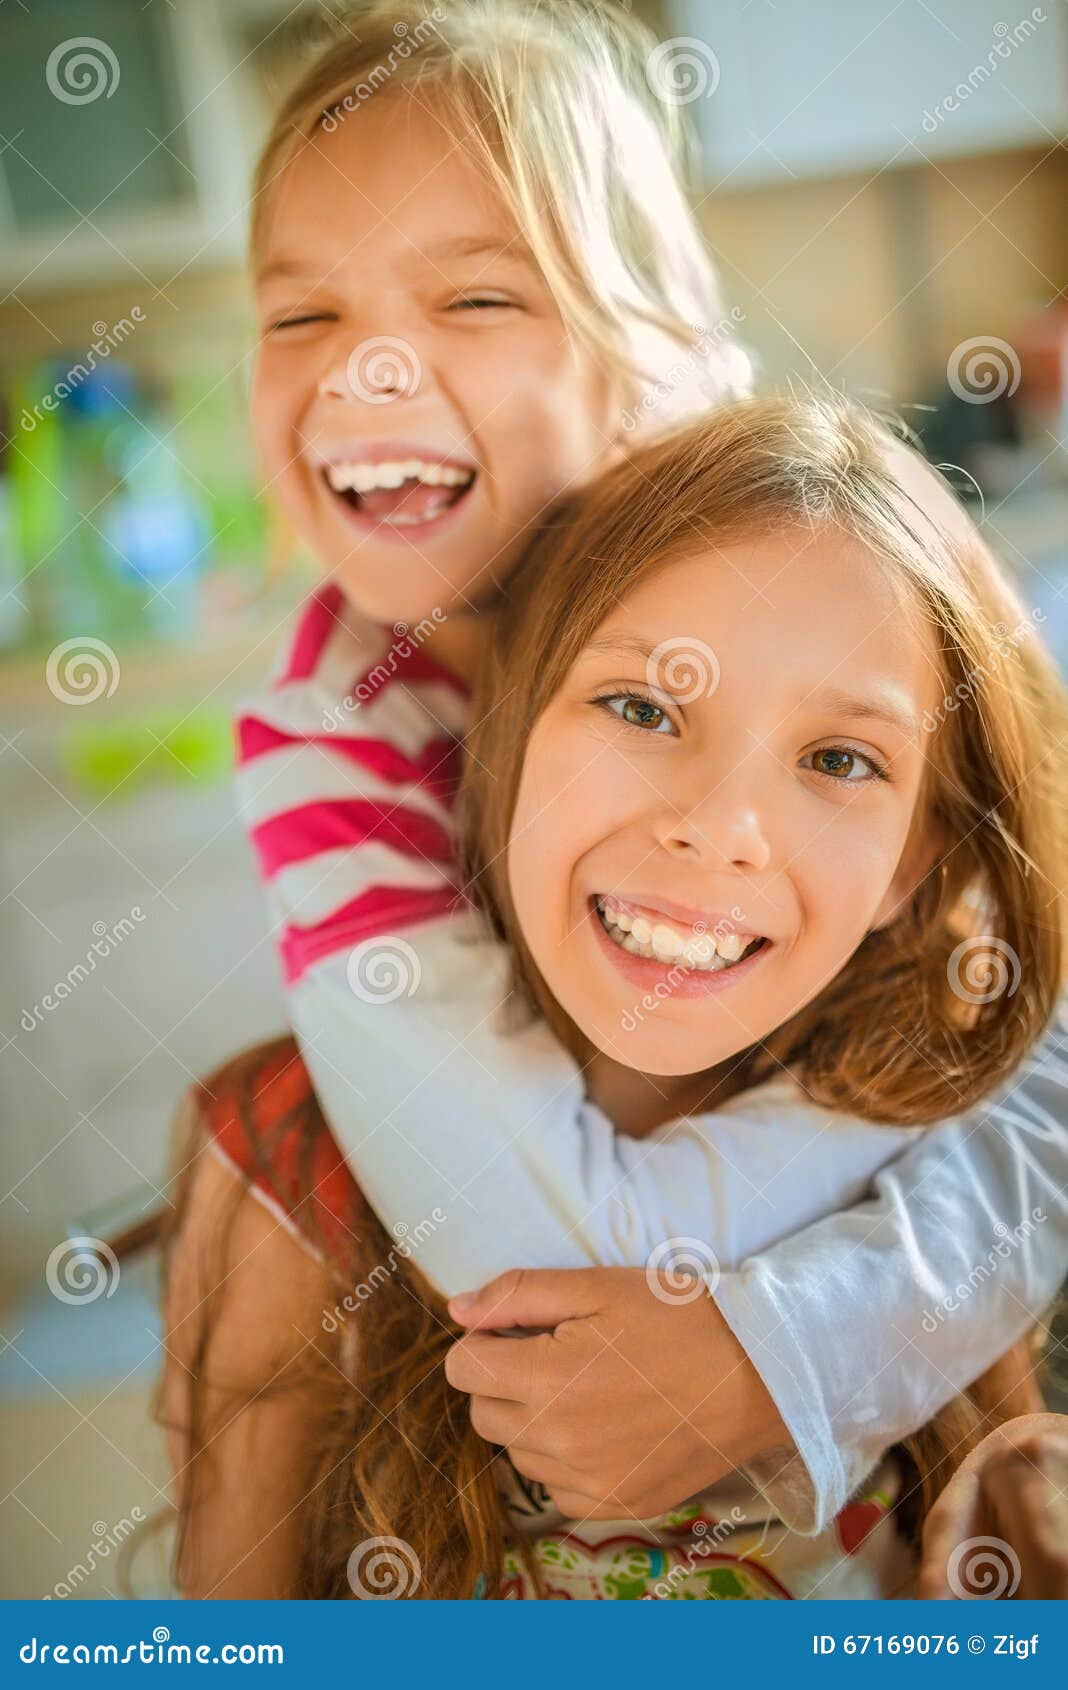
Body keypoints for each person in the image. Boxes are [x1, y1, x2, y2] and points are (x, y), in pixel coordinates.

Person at [233, 0, 1065, 1540]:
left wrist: (809, 1342)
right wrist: (927, 1075)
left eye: (474, 296)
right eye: (301, 317)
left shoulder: (832, 561)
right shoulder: (335, 727)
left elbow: (1046, 998)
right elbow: (541, 1248)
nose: (365, 376)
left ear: (661, 366)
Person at [163, 394, 1065, 1597]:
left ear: (912, 857)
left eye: (840, 760)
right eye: (642, 708)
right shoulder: (283, 1166)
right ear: (506, 736)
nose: (719, 830)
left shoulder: (943, 1165)